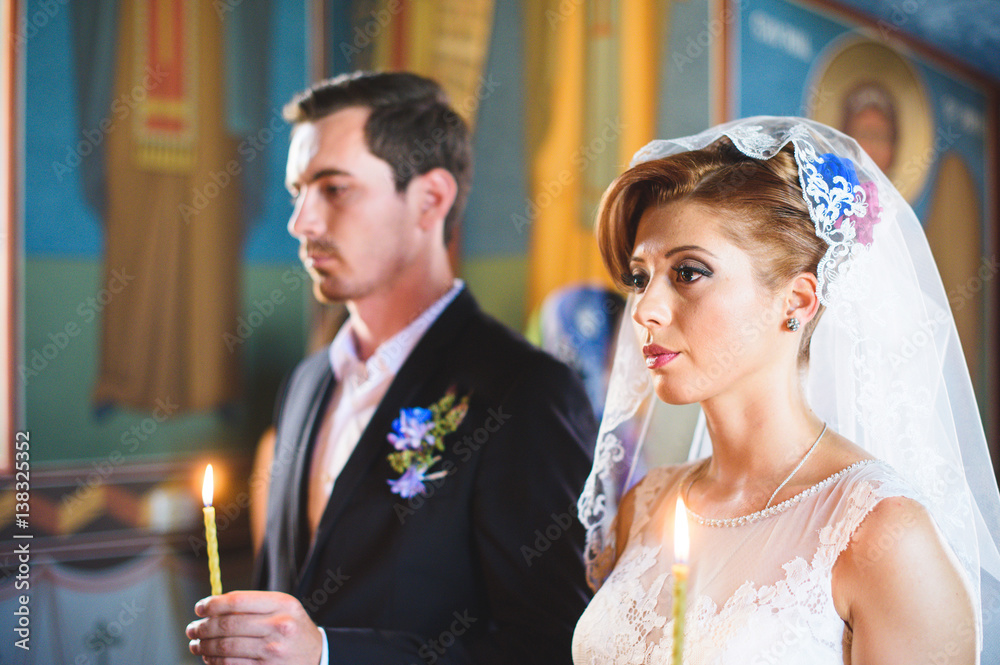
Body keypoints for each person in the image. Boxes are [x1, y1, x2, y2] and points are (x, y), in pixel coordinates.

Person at [186, 71, 597, 665]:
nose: (301, 223)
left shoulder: (524, 391)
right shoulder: (305, 385)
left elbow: (551, 645)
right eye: (298, 191)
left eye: (334, 189)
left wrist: (330, 655)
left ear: (430, 199)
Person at [572, 117, 1000, 663]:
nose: (646, 309)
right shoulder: (645, 506)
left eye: (688, 272)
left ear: (796, 302)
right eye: (640, 277)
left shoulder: (880, 534)